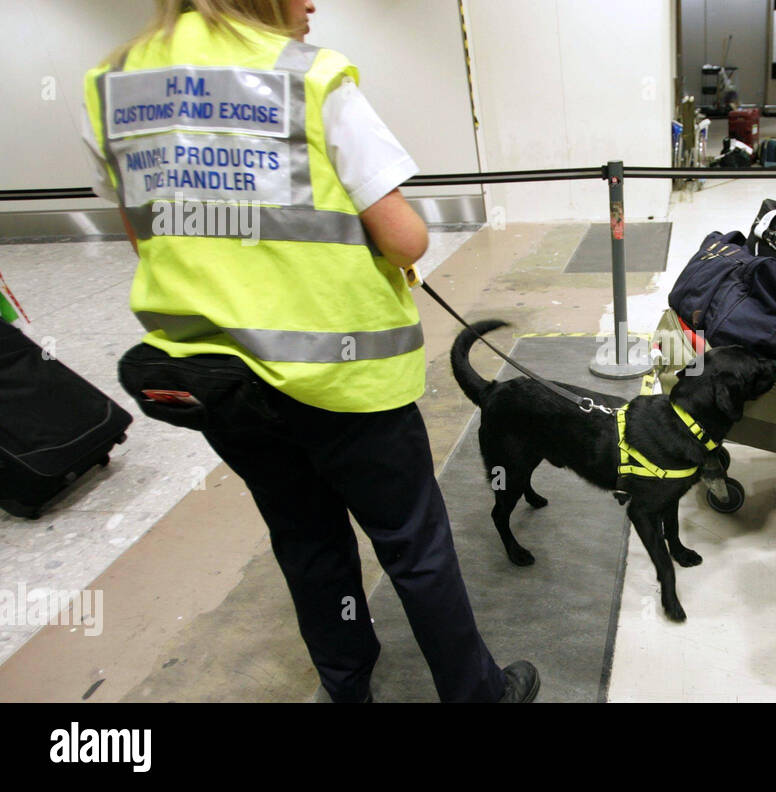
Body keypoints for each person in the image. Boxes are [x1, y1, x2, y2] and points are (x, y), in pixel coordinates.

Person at [82, 0, 538, 703]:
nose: (312, 3)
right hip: (341, 375)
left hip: (219, 379)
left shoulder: (111, 87)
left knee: (305, 539)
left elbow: (147, 238)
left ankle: (347, 684)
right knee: (413, 543)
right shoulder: (308, 77)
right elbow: (406, 239)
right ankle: (476, 693)